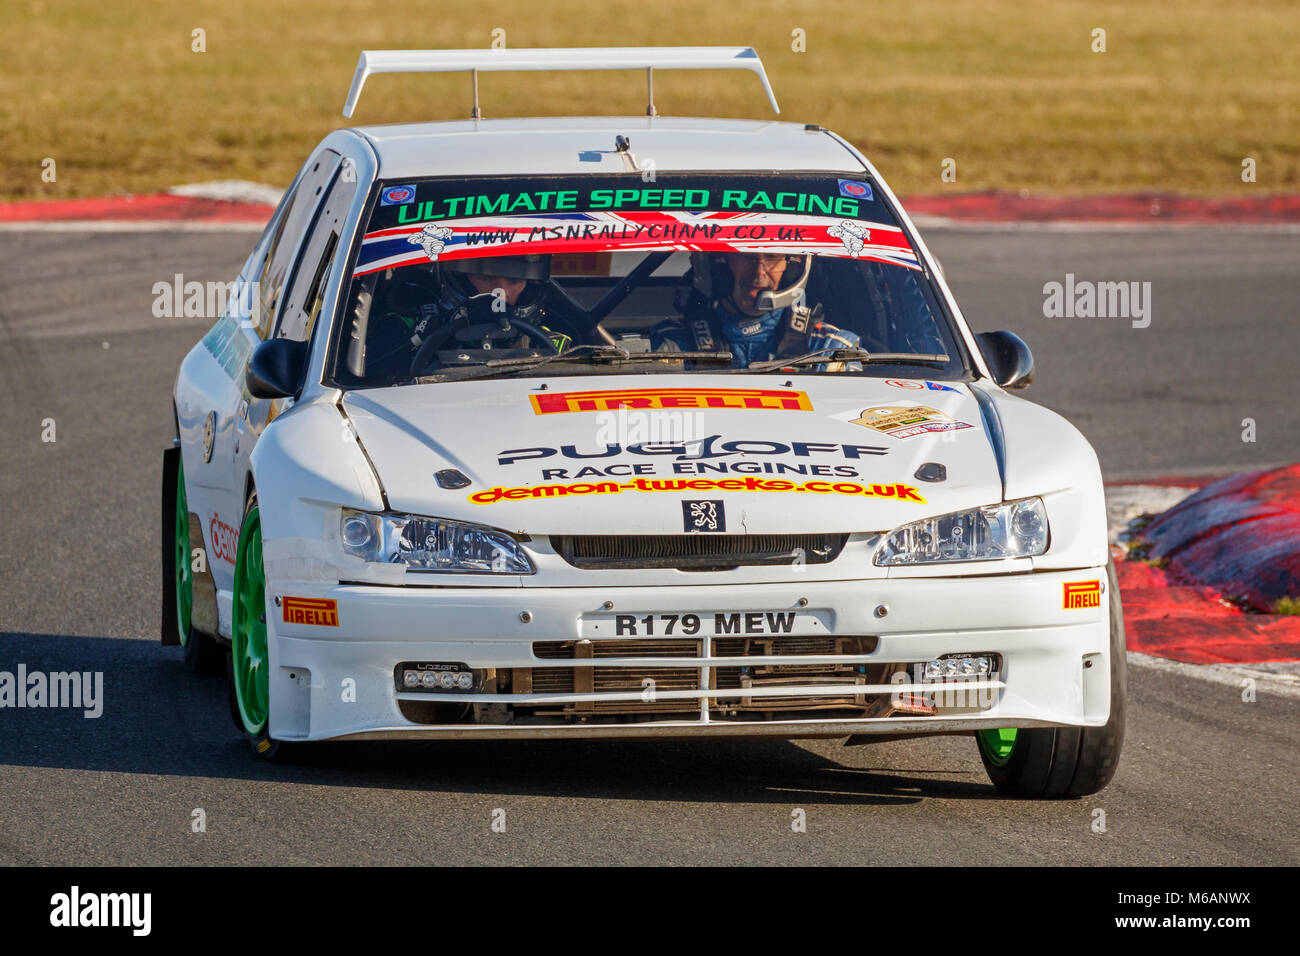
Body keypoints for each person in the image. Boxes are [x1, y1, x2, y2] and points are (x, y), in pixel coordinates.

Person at [362, 253, 574, 377]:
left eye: (514, 282)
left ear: (530, 286)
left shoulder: (555, 342)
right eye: (485, 279)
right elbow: (363, 380)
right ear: (458, 280)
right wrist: (421, 339)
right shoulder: (410, 325)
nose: (500, 295)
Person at [651, 252, 861, 370]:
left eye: (771, 257)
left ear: (790, 267)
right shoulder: (676, 344)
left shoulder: (829, 348)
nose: (759, 271)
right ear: (721, 264)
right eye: (747, 256)